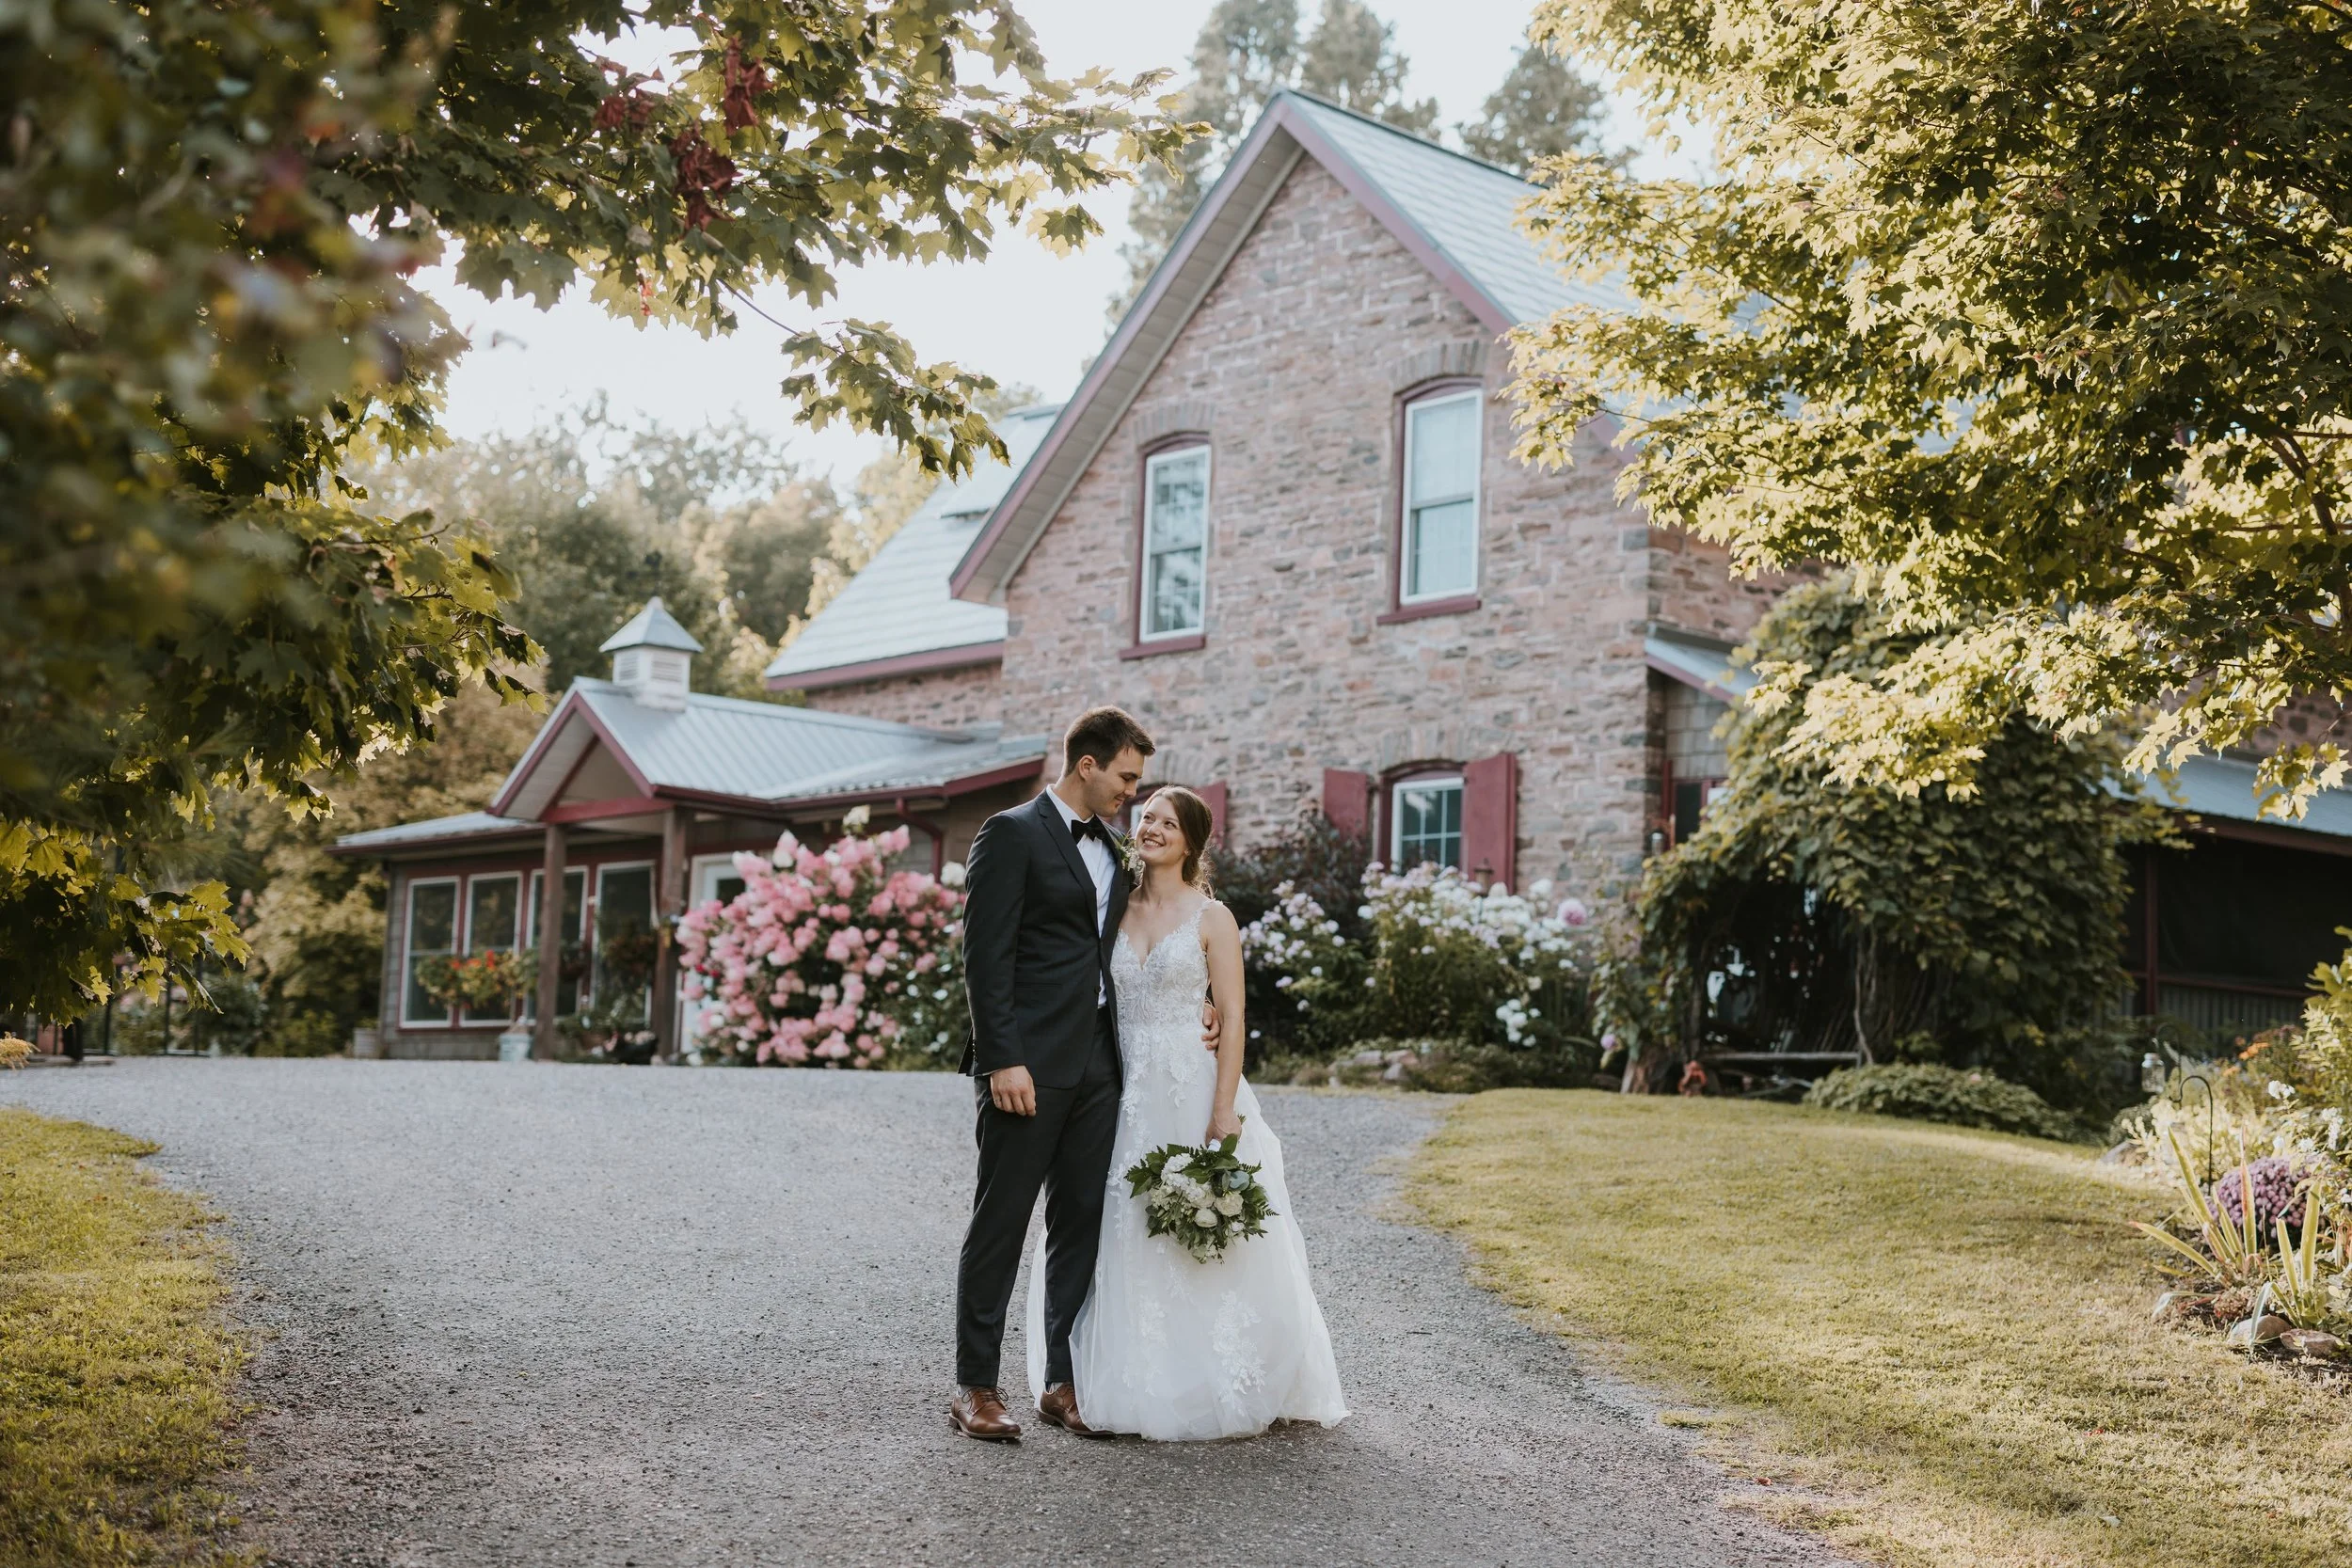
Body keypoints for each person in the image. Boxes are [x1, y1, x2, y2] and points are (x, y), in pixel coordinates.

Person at [1025, 785, 1347, 1440]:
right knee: (1117, 1224)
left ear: (1192, 840)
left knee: (1197, 1228)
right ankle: (1106, 1373)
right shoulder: (1110, 905)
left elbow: (1231, 1016)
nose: (1152, 828)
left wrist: (1223, 1109)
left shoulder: (1213, 916)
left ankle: (1206, 1374)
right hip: (1116, 1090)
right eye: (1145, 818)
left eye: (1168, 823)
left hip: (1193, 1091)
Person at [950, 706, 1154, 1442]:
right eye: (1127, 776)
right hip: (1026, 1064)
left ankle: (1062, 1380)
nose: (1133, 791)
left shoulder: (1115, 843)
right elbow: (984, 953)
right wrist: (1001, 1055)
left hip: (1100, 1060)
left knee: (1080, 1221)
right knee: (1001, 1220)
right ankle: (974, 1384)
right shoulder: (1011, 833)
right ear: (1088, 764)